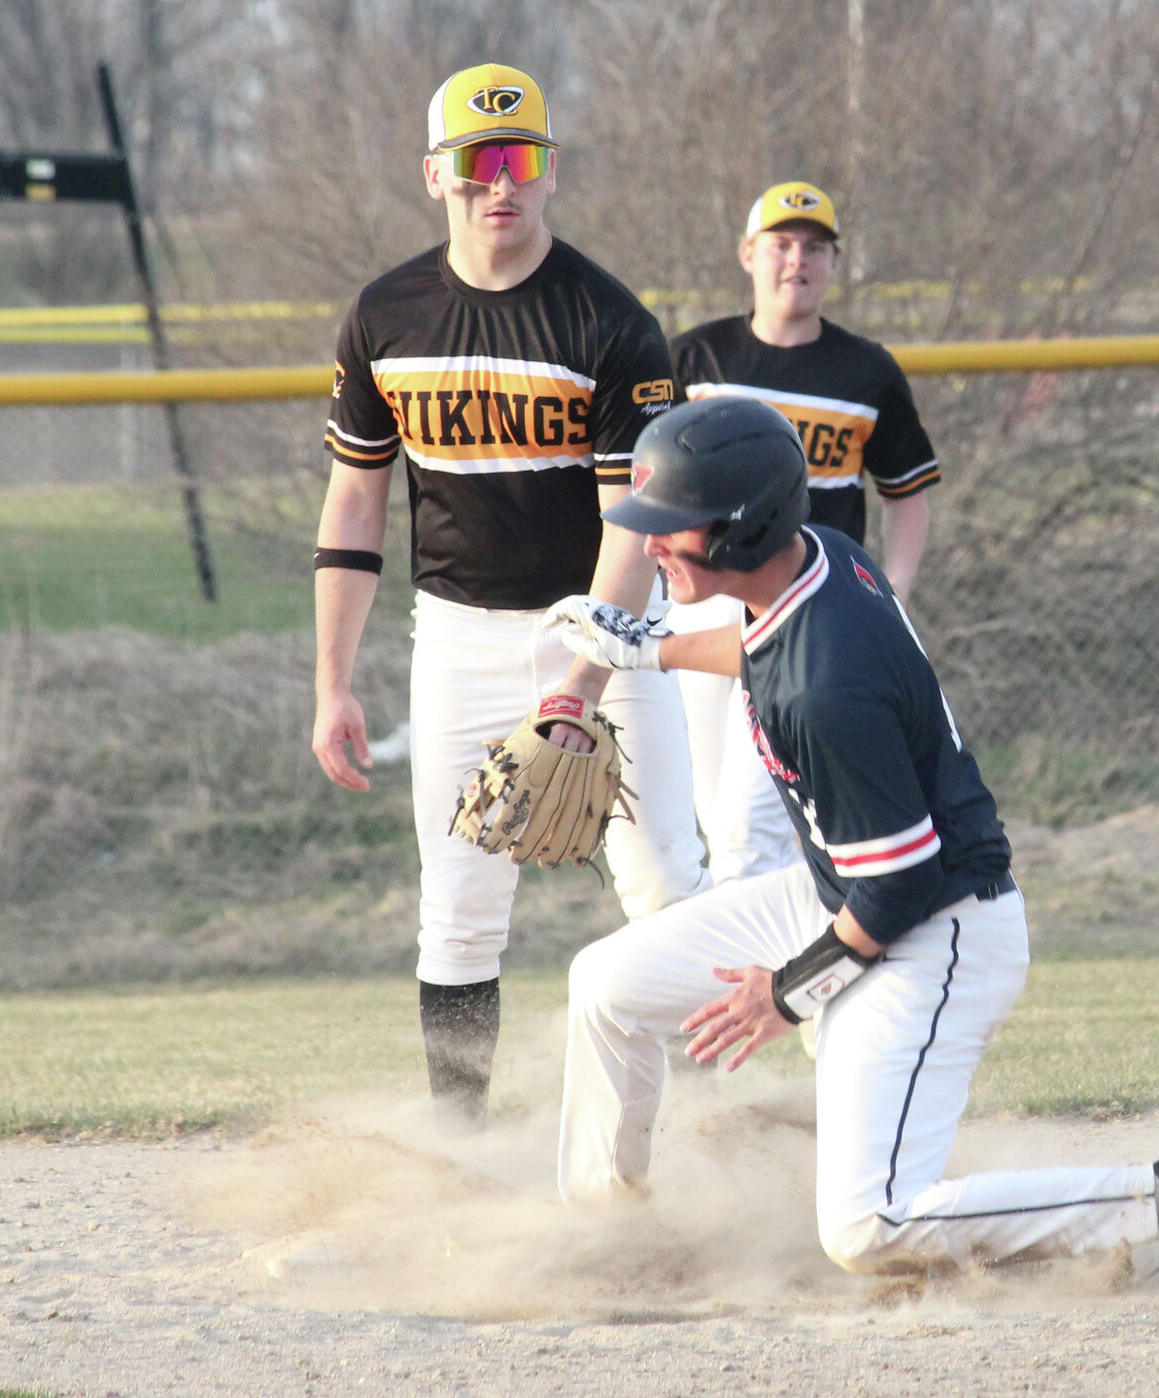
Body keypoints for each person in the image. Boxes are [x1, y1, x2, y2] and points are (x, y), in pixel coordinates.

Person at [540, 396, 1159, 1278]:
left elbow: (900, 884)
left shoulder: (829, 690)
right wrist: (644, 649)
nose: (649, 543)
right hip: (847, 892)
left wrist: (785, 997)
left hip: (937, 932)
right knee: (606, 985)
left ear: (742, 529)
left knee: (868, 1227)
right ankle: (609, 1233)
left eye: (671, 523)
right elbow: (763, 649)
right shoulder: (821, 557)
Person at [310, 63, 709, 1132]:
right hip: (455, 636)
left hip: (604, 632)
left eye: (521, 157)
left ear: (550, 171)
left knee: (665, 886)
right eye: (478, 160)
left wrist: (578, 686)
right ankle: (462, 1150)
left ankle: (716, 1131)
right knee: (458, 909)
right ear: (434, 174)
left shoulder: (609, 322)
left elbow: (633, 527)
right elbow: (354, 502)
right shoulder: (386, 315)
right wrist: (333, 685)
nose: (501, 181)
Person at [667, 181, 939, 887]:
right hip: (703, 601)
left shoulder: (865, 371)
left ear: (835, 263)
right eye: (782, 244)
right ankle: (802, 932)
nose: (798, 260)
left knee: (748, 827)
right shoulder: (695, 359)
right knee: (716, 811)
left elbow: (907, 493)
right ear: (747, 254)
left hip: (805, 612)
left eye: (815, 248)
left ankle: (779, 949)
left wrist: (895, 587)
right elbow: (651, 483)